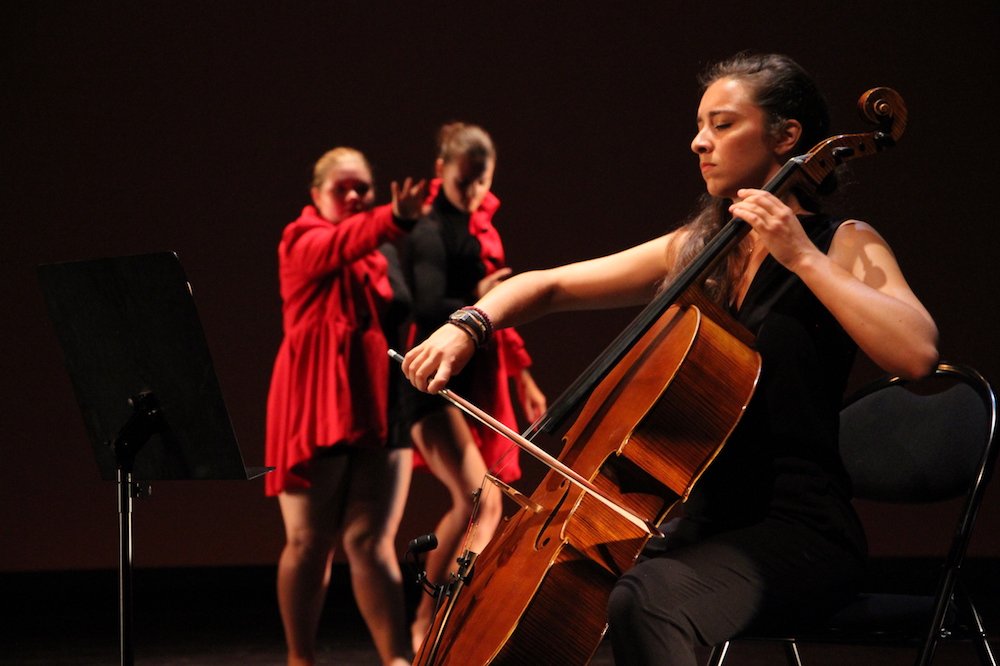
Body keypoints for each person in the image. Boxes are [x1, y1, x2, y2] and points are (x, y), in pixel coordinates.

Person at [400, 54, 939, 666]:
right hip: (701, 525)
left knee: (648, 599)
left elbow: (918, 354)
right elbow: (548, 286)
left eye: (723, 124)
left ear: (787, 137)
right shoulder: (701, 248)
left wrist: (803, 259)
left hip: (800, 532)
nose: (698, 141)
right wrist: (469, 324)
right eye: (699, 124)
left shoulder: (842, 244)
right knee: (605, 592)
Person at [265, 147, 428, 666]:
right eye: (344, 188)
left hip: (381, 400)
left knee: (370, 542)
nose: (356, 196)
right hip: (318, 397)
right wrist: (393, 218)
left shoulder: (380, 253)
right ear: (317, 195)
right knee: (311, 543)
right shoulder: (302, 239)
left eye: (364, 187)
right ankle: (300, 659)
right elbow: (336, 245)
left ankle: (396, 659)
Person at [399, 122, 548, 651]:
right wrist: (478, 297)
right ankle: (427, 619)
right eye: (464, 182)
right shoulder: (430, 230)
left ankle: (449, 618)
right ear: (441, 172)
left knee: (488, 503)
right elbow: (424, 308)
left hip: (478, 381)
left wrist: (523, 377)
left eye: (482, 182)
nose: (474, 192)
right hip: (432, 381)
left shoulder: (478, 226)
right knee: (477, 503)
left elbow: (500, 319)